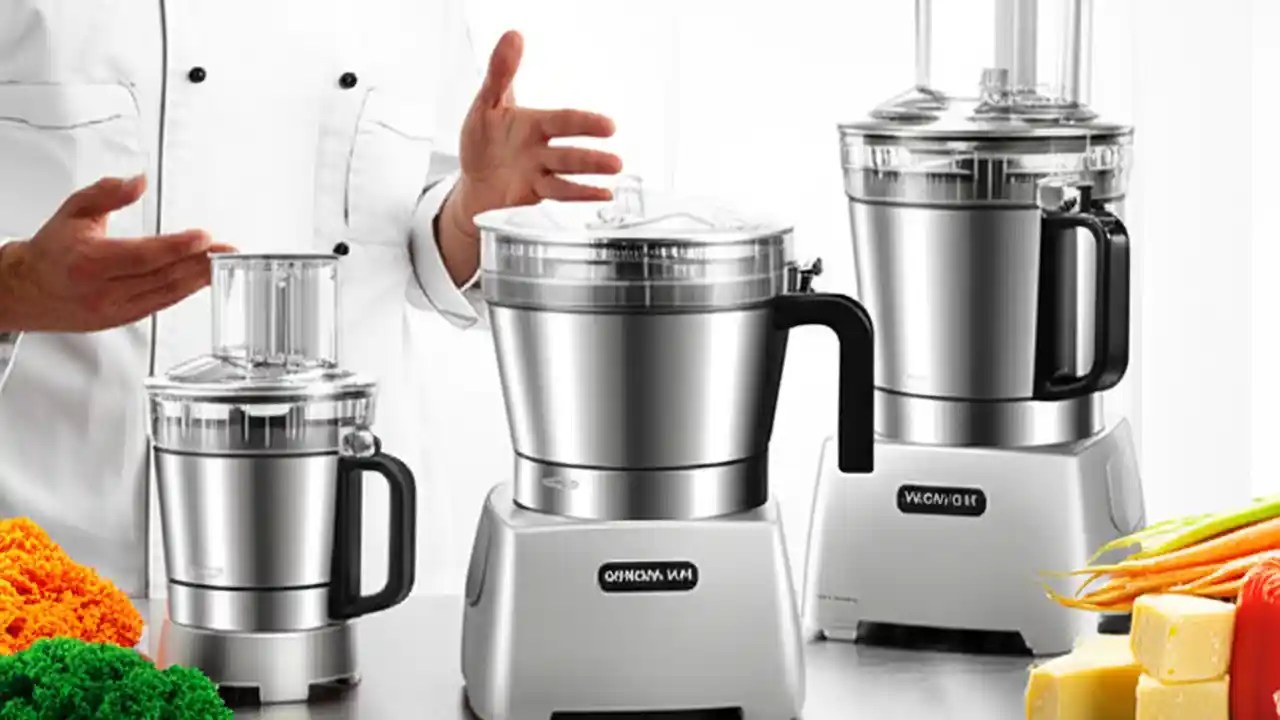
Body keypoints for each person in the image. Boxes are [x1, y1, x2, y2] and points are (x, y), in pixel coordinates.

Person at [0, 2, 622, 598]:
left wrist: (470, 213)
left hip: (352, 554)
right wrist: (15, 285)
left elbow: (407, 230)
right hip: (60, 556)